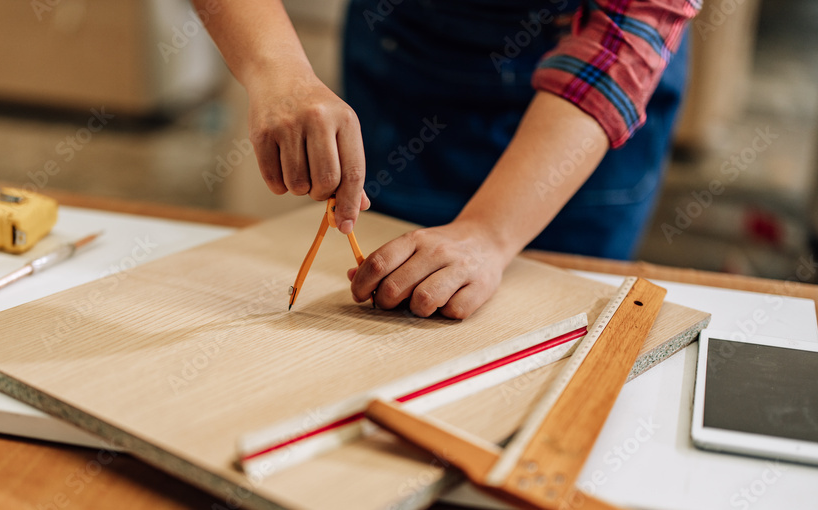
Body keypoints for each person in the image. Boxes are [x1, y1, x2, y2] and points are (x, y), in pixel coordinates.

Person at [194, 0, 699, 319]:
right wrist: (276, 70)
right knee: (393, 308)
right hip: (410, 61)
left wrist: (491, 233)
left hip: (584, 115)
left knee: (561, 328)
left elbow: (630, 28)